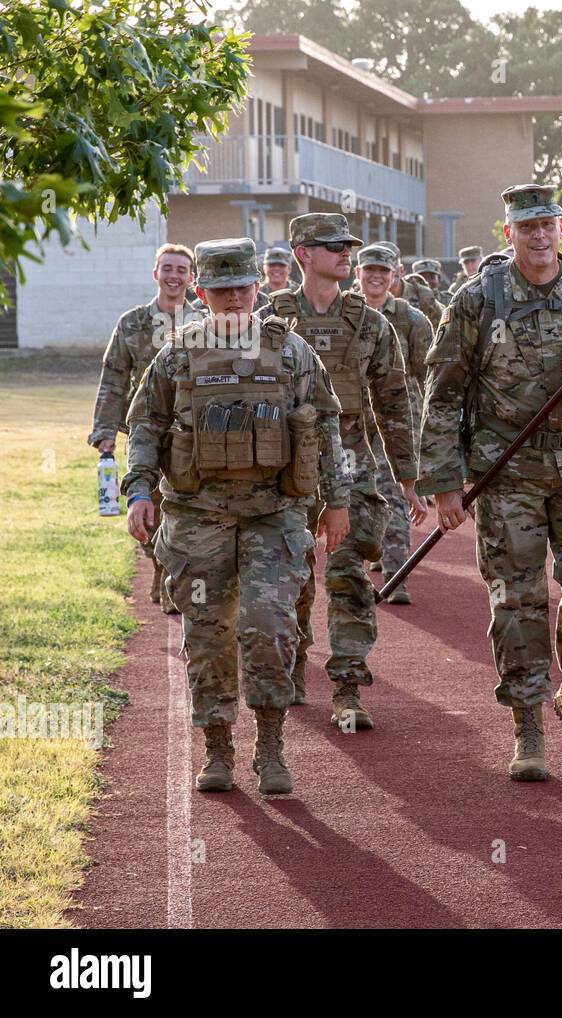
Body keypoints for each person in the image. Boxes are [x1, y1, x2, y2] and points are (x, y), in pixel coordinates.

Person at [420, 184, 562, 781]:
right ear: (509, 235)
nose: (539, 236)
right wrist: (445, 484)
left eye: (547, 224)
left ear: (561, 227)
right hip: (506, 471)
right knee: (516, 600)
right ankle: (526, 721)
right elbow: (443, 393)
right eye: (527, 228)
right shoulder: (476, 300)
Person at [122, 237, 352, 794]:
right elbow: (147, 426)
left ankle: (270, 745)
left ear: (259, 289)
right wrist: (137, 491)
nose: (232, 300)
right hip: (197, 515)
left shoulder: (292, 351)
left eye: (241, 289)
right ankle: (218, 747)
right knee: (208, 634)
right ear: (200, 292)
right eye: (220, 290)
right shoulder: (177, 353)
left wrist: (337, 500)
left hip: (274, 514)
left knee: (269, 628)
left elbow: (326, 427)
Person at [260, 213, 427, 724]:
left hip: (352, 467)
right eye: (331, 246)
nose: (345, 254)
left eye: (347, 245)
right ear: (302, 254)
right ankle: (291, 668)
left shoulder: (371, 324)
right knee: (288, 579)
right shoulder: (268, 322)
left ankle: (348, 686)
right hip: (282, 472)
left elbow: (394, 402)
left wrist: (408, 476)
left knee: (349, 573)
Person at [88, 243, 201, 614]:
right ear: (155, 273)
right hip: (145, 432)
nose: (174, 275)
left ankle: (176, 580)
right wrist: (105, 430)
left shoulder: (204, 321)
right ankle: (160, 566)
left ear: (191, 277)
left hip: (194, 433)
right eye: (167, 268)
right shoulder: (132, 323)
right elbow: (113, 380)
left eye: (181, 269)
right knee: (147, 508)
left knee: (186, 510)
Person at [353, 242, 435, 604]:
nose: (375, 276)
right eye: (369, 270)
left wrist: (425, 426)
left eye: (383, 271)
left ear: (395, 275)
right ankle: (358, 569)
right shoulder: (344, 315)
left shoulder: (411, 319)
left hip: (395, 423)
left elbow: (428, 377)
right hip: (351, 424)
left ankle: (396, 575)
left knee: (396, 497)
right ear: (357, 274)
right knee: (353, 498)